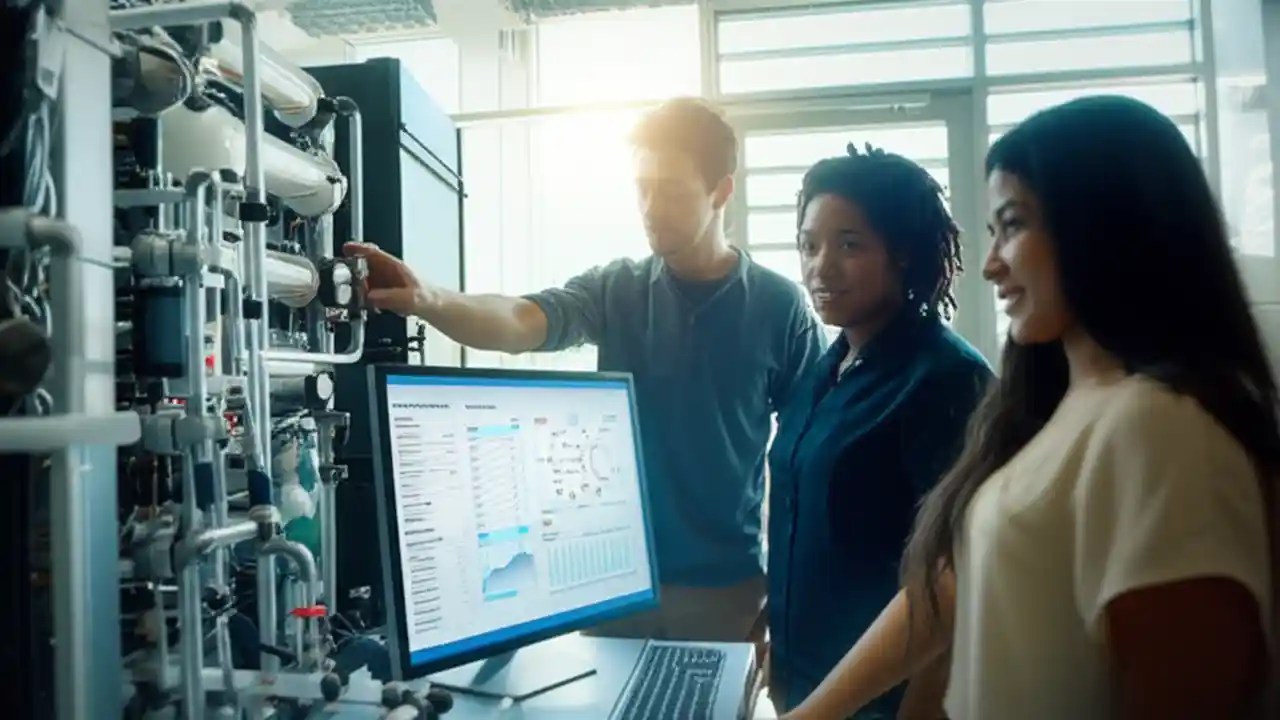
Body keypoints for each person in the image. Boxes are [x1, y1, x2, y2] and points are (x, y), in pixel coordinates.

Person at [783, 95, 1279, 720]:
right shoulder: (1053, 411)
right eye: (993, 231)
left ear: (1105, 226)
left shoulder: (1163, 428)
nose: (990, 265)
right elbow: (949, 584)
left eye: (1013, 225)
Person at [346, 97, 827, 642]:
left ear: (721, 192)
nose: (649, 206)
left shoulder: (779, 308)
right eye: (641, 187)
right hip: (613, 586)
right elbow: (520, 320)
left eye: (669, 190)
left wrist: (790, 585)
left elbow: (808, 457)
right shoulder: (615, 287)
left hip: (726, 591)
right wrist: (427, 299)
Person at [764, 144, 992, 719]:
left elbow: (957, 580)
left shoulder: (946, 379)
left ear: (902, 253)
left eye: (849, 245)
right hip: (804, 688)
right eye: (809, 245)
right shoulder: (829, 365)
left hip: (879, 704)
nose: (821, 266)